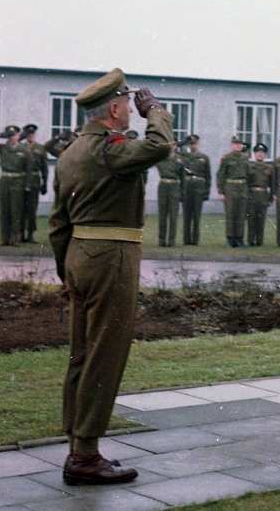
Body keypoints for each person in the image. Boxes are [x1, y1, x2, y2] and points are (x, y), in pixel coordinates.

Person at [48, 68, 173, 485]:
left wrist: (65, 268)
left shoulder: (70, 153)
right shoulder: (111, 149)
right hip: (111, 258)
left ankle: (79, 446)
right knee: (106, 353)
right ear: (115, 109)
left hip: (81, 257)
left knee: (82, 355)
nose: (130, 114)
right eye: (128, 107)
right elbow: (161, 146)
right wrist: (156, 111)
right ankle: (85, 457)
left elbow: (58, 222)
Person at [0, 125, 29, 246]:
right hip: (4, 180)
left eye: (14, 135)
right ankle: (4, 238)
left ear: (18, 136)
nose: (12, 138)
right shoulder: (3, 148)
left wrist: (27, 184)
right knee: (4, 209)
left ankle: (15, 237)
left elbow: (29, 168)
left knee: (16, 210)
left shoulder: (24, 150)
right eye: (9, 136)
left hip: (18, 180)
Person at [19, 124, 49, 243]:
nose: (30, 136)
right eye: (28, 134)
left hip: (35, 182)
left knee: (32, 209)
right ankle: (20, 234)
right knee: (21, 209)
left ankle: (30, 234)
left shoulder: (40, 148)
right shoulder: (20, 147)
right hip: (21, 180)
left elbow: (44, 167)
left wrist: (45, 182)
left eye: (32, 134)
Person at [217, 136, 249, 248]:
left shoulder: (245, 158)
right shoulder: (226, 158)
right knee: (230, 213)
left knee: (241, 214)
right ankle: (230, 239)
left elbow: (248, 174)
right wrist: (221, 191)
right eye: (236, 144)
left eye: (240, 144)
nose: (238, 145)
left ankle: (239, 239)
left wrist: (247, 189)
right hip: (230, 187)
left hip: (242, 187)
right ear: (232, 145)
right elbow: (221, 174)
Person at [180, 134, 211, 245]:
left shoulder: (204, 157)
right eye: (191, 144)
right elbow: (173, 151)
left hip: (199, 188)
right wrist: (182, 142)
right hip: (186, 187)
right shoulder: (183, 156)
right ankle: (186, 240)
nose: (193, 146)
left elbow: (208, 176)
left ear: (198, 144)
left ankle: (195, 240)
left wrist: (206, 192)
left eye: (195, 144)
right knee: (186, 215)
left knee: (197, 215)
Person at [155, 146, 186, 247]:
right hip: (163, 186)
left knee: (173, 215)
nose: (172, 147)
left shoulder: (180, 159)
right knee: (162, 215)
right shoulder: (160, 157)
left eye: (174, 144)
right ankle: (161, 240)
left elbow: (183, 177)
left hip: (175, 186)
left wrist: (182, 192)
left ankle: (171, 241)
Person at [247, 143, 273, 246]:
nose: (260, 155)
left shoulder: (269, 168)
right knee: (251, 219)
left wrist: (270, 197)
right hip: (252, 194)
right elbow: (247, 182)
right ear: (254, 154)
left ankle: (259, 241)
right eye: (258, 153)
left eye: (262, 153)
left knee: (261, 219)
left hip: (263, 195)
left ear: (265, 155)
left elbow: (272, 184)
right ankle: (251, 240)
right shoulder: (250, 166)